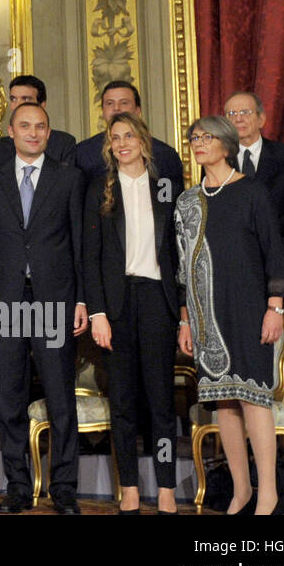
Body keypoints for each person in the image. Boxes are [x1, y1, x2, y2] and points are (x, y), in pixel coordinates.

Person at [176, 115, 284, 515]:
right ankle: (241, 491)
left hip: (249, 308)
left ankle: (268, 493)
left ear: (226, 144)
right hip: (206, 315)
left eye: (207, 136)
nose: (199, 142)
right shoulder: (187, 201)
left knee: (255, 400)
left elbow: (274, 256)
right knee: (223, 402)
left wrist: (274, 307)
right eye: (194, 137)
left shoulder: (252, 192)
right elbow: (183, 268)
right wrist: (186, 320)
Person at [0, 103, 88, 513]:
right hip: (7, 301)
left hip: (54, 300)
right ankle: (18, 488)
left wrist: (81, 300)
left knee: (60, 398)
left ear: (48, 133)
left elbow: (80, 244)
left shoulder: (69, 178)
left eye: (40, 126)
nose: (33, 132)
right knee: (9, 398)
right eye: (25, 126)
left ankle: (64, 489)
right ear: (10, 131)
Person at [83, 113, 181, 514]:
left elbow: (179, 254)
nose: (122, 143)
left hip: (158, 302)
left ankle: (167, 487)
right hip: (116, 305)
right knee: (122, 402)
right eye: (115, 137)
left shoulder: (166, 189)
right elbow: (89, 258)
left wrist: (186, 315)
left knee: (160, 402)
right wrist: (98, 313)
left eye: (129, 136)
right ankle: (129, 487)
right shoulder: (99, 190)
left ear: (143, 139)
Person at [223, 91, 284, 408]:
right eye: (231, 113)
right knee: (245, 355)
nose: (238, 119)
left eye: (245, 112)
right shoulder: (220, 162)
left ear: (261, 118)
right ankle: (247, 439)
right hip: (237, 278)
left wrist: (275, 259)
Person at [74, 80, 184, 189]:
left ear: (137, 110)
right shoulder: (83, 152)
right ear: (103, 111)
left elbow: (170, 200)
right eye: (110, 103)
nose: (116, 108)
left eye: (124, 103)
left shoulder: (165, 154)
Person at [0, 75, 77, 167]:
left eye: (26, 99)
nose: (17, 105)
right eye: (13, 99)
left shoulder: (63, 143)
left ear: (42, 104)